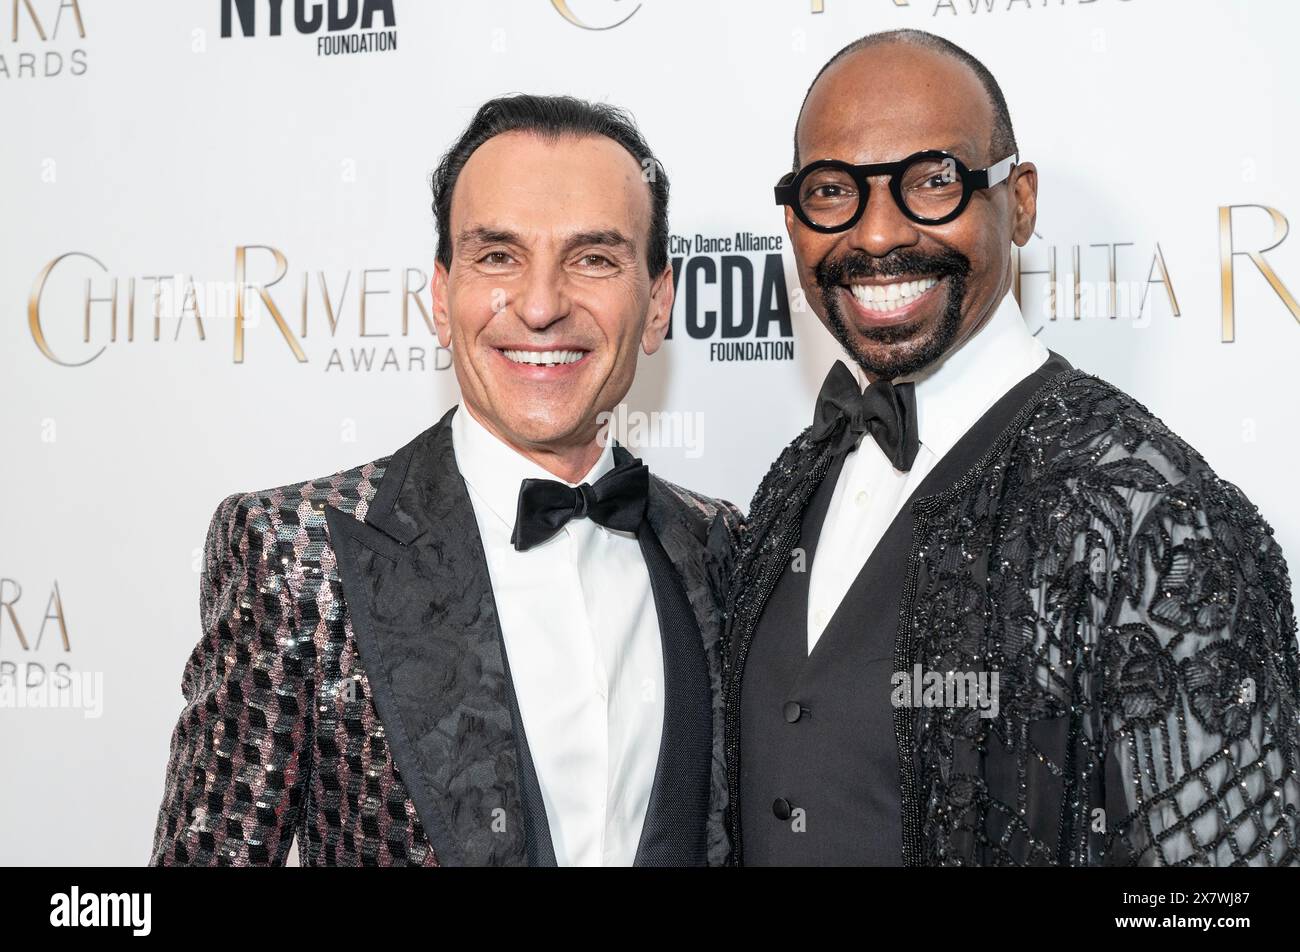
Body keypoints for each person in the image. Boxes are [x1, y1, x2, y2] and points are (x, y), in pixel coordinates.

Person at [724, 29, 1299, 866]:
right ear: (793, 223)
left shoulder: (1151, 511)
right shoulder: (794, 481)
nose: (878, 234)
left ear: (1019, 201)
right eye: (832, 191)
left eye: (932, 181)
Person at [149, 94, 739, 867]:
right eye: (498, 256)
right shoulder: (299, 555)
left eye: (593, 258)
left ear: (658, 302)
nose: (539, 305)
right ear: (439, 295)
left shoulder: (722, 545)